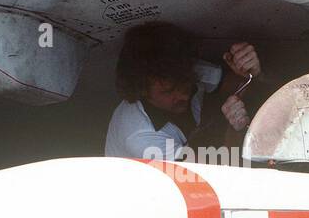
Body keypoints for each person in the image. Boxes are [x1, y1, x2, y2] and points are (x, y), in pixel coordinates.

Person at [104, 23, 261, 160]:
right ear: (142, 91)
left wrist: (246, 72)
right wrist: (236, 129)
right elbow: (216, 172)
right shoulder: (142, 139)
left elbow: (232, 82)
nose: (184, 95)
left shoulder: (183, 71)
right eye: (168, 91)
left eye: (186, 83)